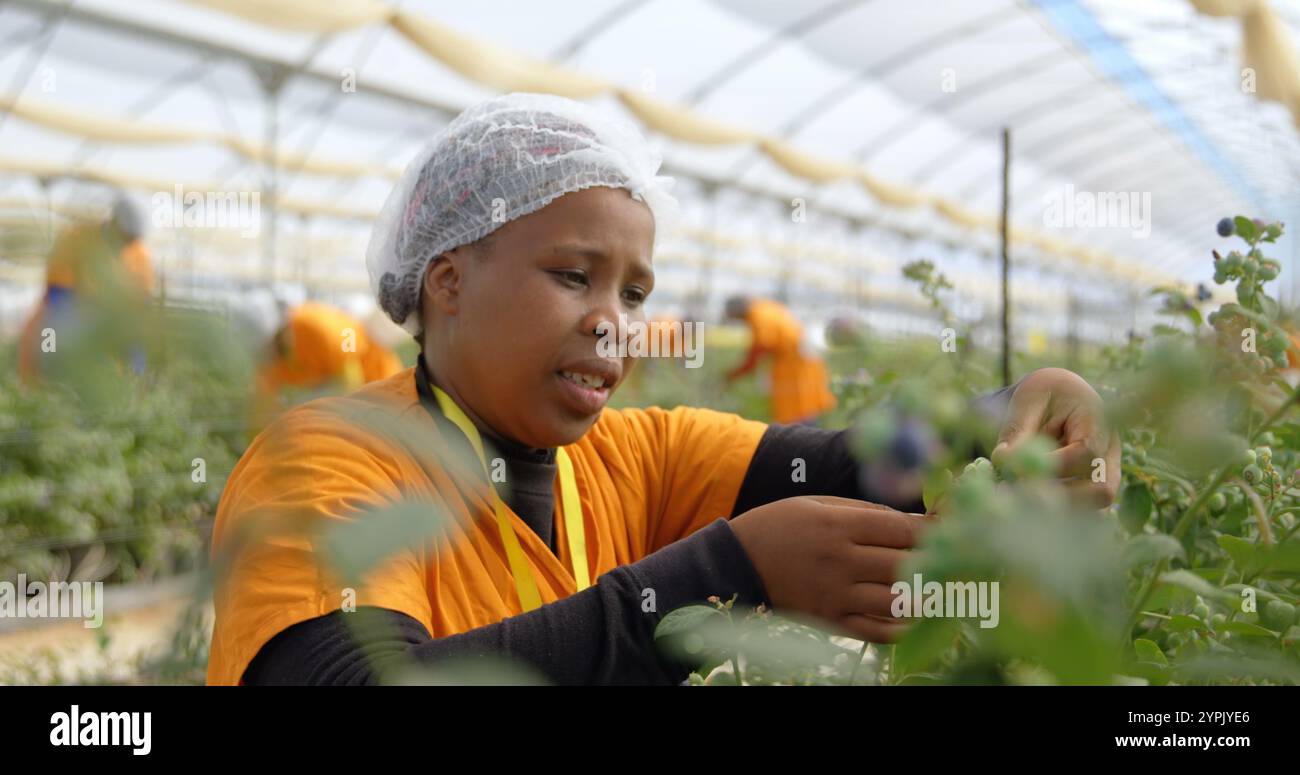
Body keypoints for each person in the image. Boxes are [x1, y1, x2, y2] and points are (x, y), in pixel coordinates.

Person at [205, 93, 1121, 686]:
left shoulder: (630, 455)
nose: (613, 322)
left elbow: (862, 464)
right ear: (446, 281)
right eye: (572, 275)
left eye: (633, 293)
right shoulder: (323, 464)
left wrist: (1022, 409)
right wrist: (724, 576)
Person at [17, 196, 154, 383]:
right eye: (124, 236)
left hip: (111, 316)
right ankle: (45, 380)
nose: (127, 243)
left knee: (135, 347)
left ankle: (131, 387)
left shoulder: (138, 255)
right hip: (69, 306)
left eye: (131, 239)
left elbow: (141, 302)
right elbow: (57, 291)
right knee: (49, 335)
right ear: (113, 223)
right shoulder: (77, 238)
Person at [250, 300, 404, 429]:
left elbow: (351, 381)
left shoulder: (323, 327)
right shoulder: (273, 358)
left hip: (380, 398)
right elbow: (261, 405)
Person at [723, 295, 837, 424]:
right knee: (807, 406)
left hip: (793, 365)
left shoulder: (757, 314)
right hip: (802, 360)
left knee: (797, 412)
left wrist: (737, 373)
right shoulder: (766, 307)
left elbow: (759, 348)